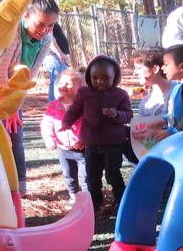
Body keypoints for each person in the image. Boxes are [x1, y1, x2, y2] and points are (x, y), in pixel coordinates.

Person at [0, 0, 64, 195]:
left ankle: (18, 189)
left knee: (16, 135)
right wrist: (7, 108)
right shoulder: (12, 32)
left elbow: (28, 77)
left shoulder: (46, 38)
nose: (45, 30)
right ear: (26, 16)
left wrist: (15, 106)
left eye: (51, 26)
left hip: (12, 91)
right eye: (40, 24)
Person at [61, 55, 133, 217]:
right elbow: (75, 109)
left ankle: (121, 202)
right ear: (89, 77)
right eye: (95, 78)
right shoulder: (84, 93)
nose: (100, 81)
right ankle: (94, 205)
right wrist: (67, 121)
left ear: (114, 78)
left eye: (105, 78)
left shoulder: (120, 95)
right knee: (92, 176)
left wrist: (116, 114)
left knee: (113, 174)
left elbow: (128, 115)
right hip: (91, 143)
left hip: (113, 143)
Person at [134, 44, 183, 144]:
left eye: (166, 65)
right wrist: (162, 121)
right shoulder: (179, 87)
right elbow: (176, 113)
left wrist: (172, 131)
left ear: (182, 67)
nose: (162, 68)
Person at [40, 69, 86, 202]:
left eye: (69, 83)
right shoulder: (53, 106)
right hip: (63, 149)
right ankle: (74, 196)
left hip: (82, 149)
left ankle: (87, 198)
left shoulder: (83, 106)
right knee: (69, 175)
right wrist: (49, 139)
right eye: (61, 83)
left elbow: (89, 123)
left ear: (80, 88)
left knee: (85, 176)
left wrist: (85, 139)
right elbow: (46, 123)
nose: (63, 86)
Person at [131, 48, 174, 117]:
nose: (134, 73)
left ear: (155, 69)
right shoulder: (145, 103)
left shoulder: (179, 91)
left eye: (139, 68)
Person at [43, 23, 71, 102]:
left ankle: (53, 108)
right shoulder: (50, 21)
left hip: (56, 57)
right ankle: (59, 106)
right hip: (54, 57)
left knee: (55, 82)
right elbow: (50, 38)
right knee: (59, 82)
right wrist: (60, 53)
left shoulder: (53, 21)